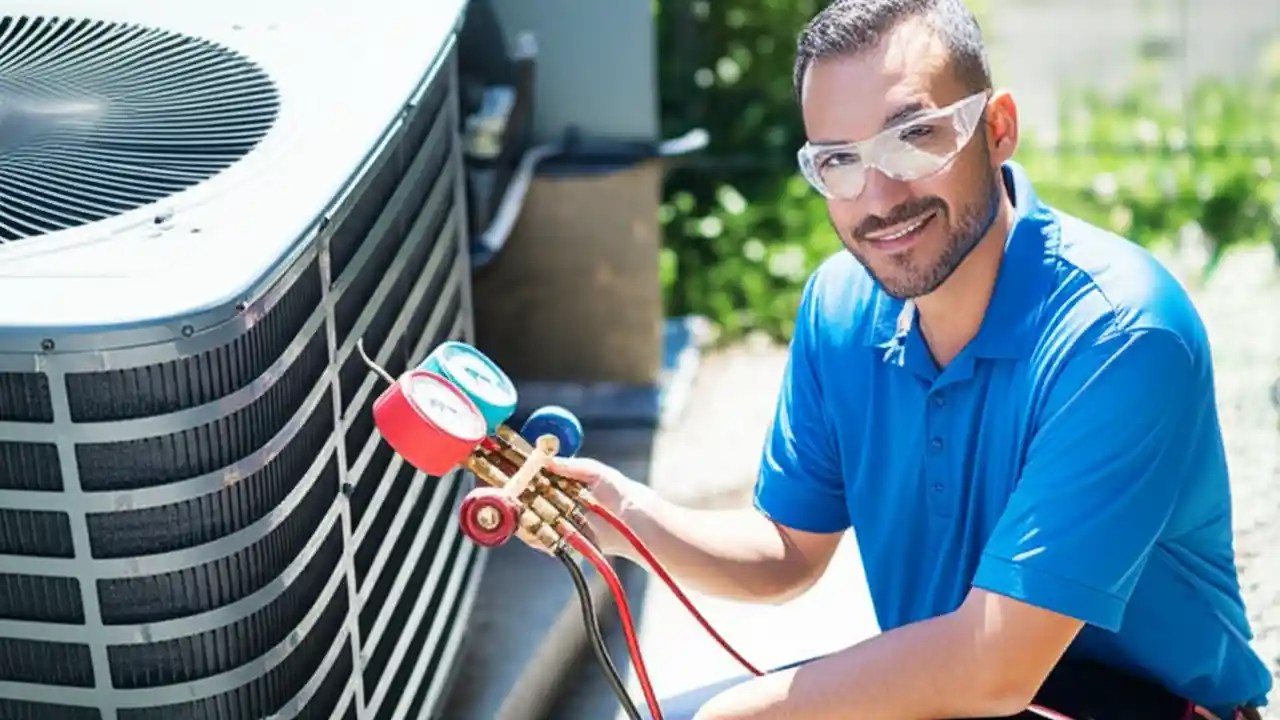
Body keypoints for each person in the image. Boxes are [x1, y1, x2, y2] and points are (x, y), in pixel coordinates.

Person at [540, 0, 1275, 718]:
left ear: (998, 128)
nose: (879, 196)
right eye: (838, 161)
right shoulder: (840, 307)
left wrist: (745, 709)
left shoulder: (1120, 335)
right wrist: (617, 512)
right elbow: (787, 551)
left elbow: (995, 670)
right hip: (961, 693)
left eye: (914, 137)